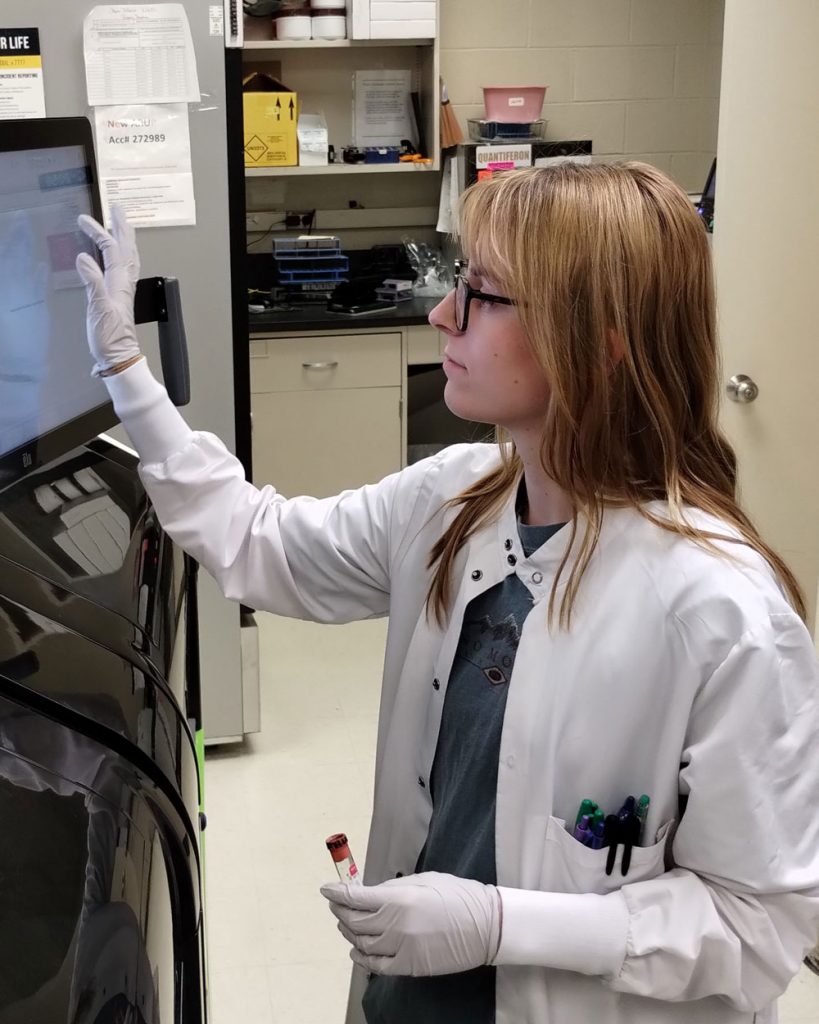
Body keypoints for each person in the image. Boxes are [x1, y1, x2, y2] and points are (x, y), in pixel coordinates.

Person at [75, 165, 819, 1024]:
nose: (439, 315)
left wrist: (503, 925)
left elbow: (757, 925)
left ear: (600, 341)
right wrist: (127, 371)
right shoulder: (452, 499)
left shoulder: (723, 613)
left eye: (480, 293)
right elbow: (259, 541)